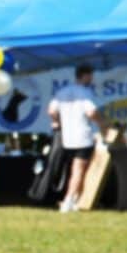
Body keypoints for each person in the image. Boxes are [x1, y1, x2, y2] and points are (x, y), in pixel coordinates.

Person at [47, 64, 105, 212]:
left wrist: (58, 122)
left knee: (73, 170)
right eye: (90, 75)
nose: (92, 79)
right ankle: (69, 200)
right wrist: (102, 124)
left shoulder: (62, 92)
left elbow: (51, 110)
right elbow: (91, 112)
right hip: (83, 136)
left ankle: (73, 199)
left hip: (67, 138)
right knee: (78, 170)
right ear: (84, 75)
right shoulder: (84, 93)